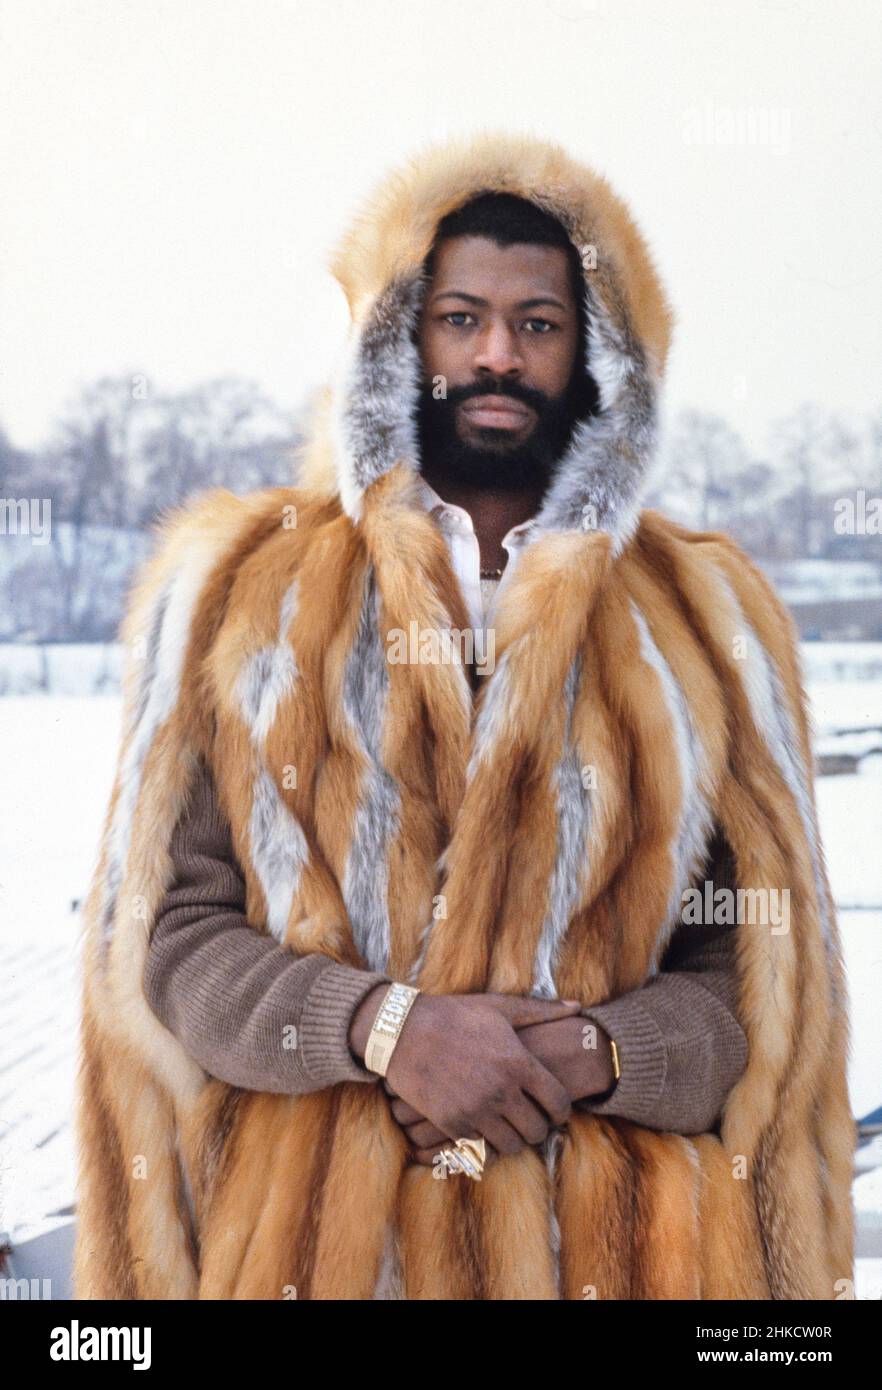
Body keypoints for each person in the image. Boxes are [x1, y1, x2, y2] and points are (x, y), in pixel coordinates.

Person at [74, 131, 854, 1301]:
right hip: (310, 1259)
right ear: (397, 339)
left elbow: (756, 967)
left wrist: (599, 1054)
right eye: (460, 318)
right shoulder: (241, 589)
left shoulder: (704, 615)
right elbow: (168, 934)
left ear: (597, 353)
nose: (499, 354)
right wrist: (383, 1029)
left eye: (539, 324)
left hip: (616, 1256)